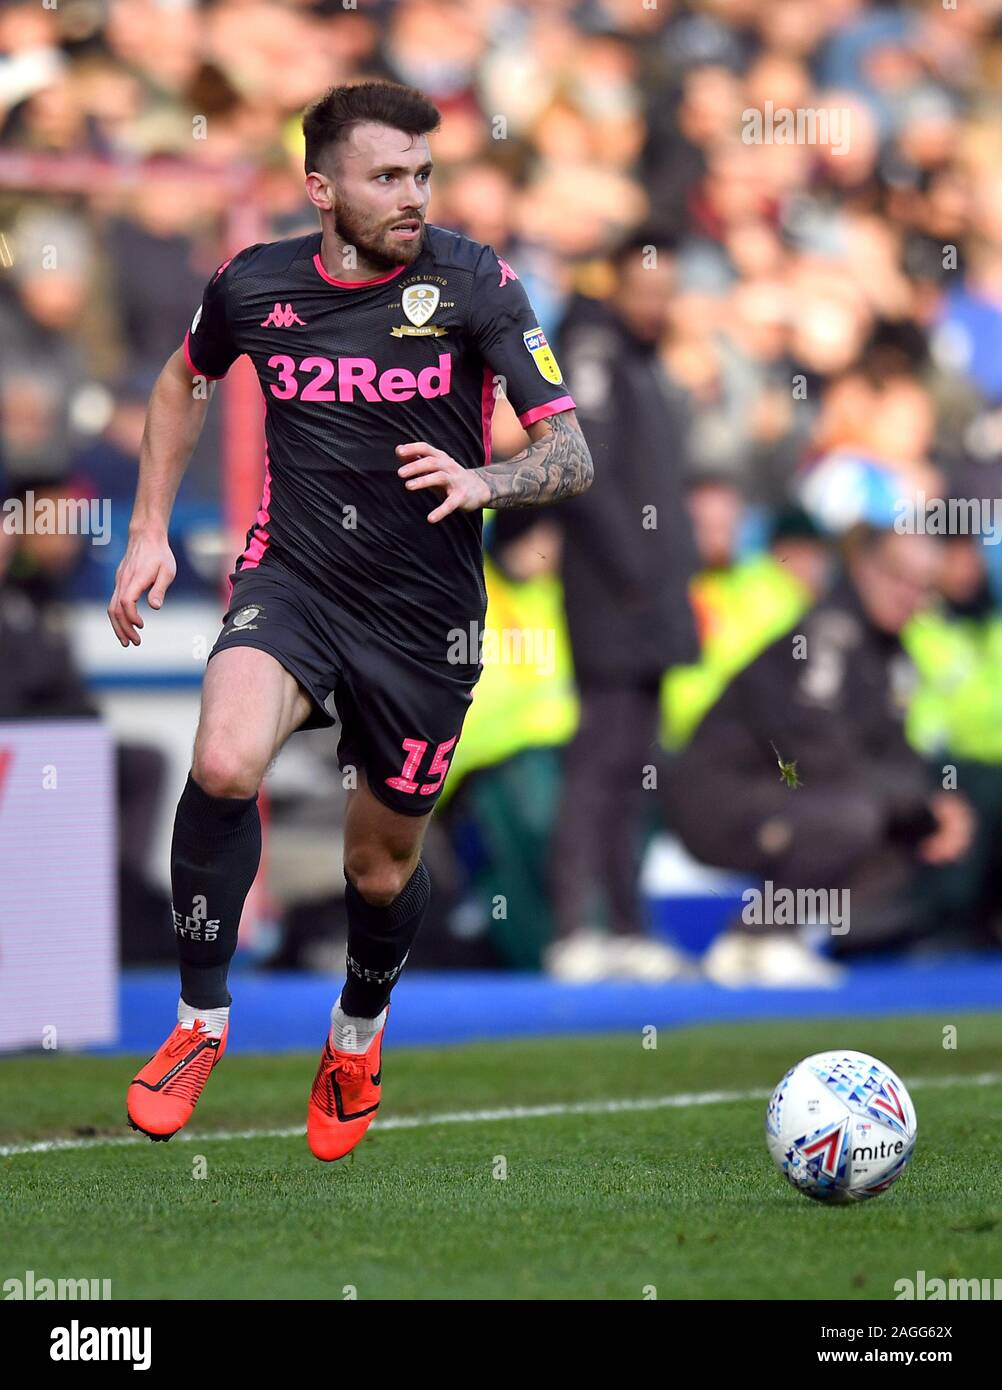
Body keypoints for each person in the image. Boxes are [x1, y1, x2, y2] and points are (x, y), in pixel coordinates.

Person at [108, 81, 593, 1159]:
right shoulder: (253, 283)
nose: (412, 195)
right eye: (387, 177)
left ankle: (358, 1027)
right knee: (225, 761)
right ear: (322, 188)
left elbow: (571, 453)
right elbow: (183, 383)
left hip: (425, 621)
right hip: (295, 580)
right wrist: (148, 530)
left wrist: (485, 481)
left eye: (423, 174)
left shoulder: (475, 281)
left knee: (378, 868)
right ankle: (198, 1021)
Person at [666, 527, 974, 986]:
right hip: (718, 796)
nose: (911, 596)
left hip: (789, 798)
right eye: (900, 578)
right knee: (853, 813)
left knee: (902, 828)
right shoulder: (824, 637)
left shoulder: (893, 655)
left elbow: (896, 755)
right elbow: (818, 752)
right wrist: (915, 804)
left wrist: (934, 809)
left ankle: (782, 935)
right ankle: (756, 938)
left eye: (923, 586)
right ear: (864, 569)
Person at [546, 233, 699, 981]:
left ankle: (627, 926)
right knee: (600, 759)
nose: (659, 303)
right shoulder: (594, 349)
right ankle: (576, 927)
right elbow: (587, 471)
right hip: (613, 596)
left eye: (668, 289)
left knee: (633, 764)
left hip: (649, 596)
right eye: (648, 288)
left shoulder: (638, 355)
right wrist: (638, 571)